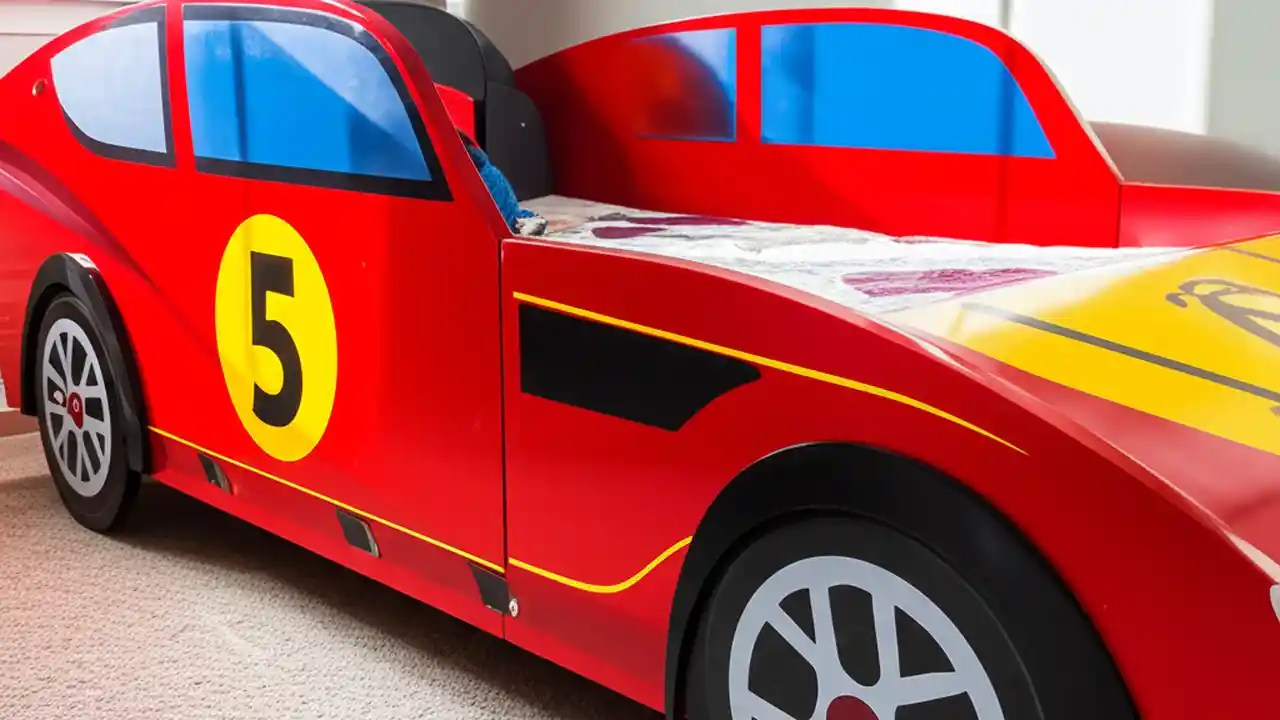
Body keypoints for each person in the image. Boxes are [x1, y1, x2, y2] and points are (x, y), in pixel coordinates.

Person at [460, 131, 547, 236]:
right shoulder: (483, 168)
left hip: (501, 219)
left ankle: (528, 220)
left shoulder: (481, 174)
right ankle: (529, 219)